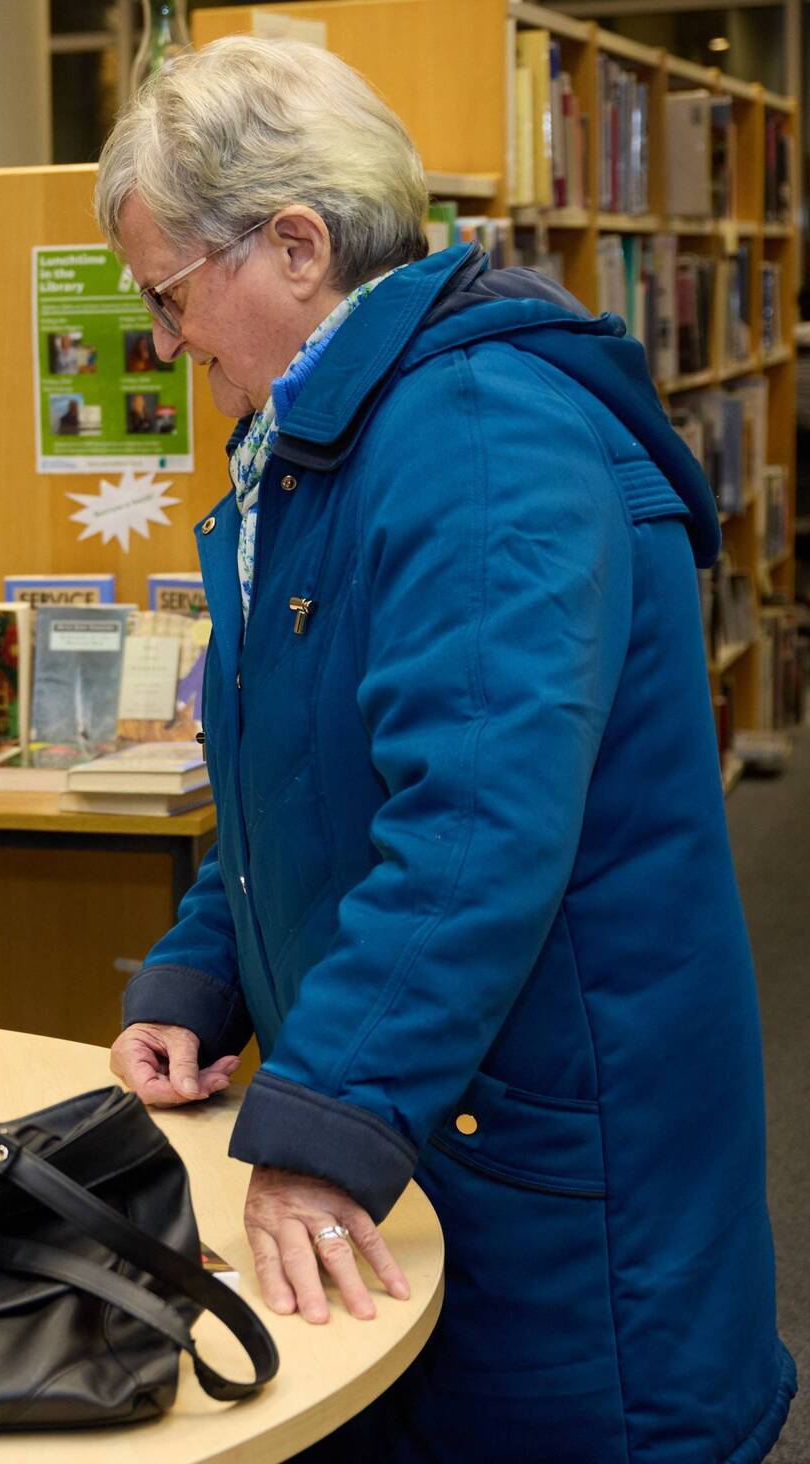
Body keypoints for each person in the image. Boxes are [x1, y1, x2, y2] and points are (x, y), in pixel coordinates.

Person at [97, 37, 792, 1461]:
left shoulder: (477, 442)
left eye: (169, 297)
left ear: (295, 244)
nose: (167, 344)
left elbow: (474, 827)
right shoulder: (343, 438)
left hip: (554, 1162)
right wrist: (200, 977)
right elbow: (298, 780)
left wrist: (322, 1123)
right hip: (453, 1112)